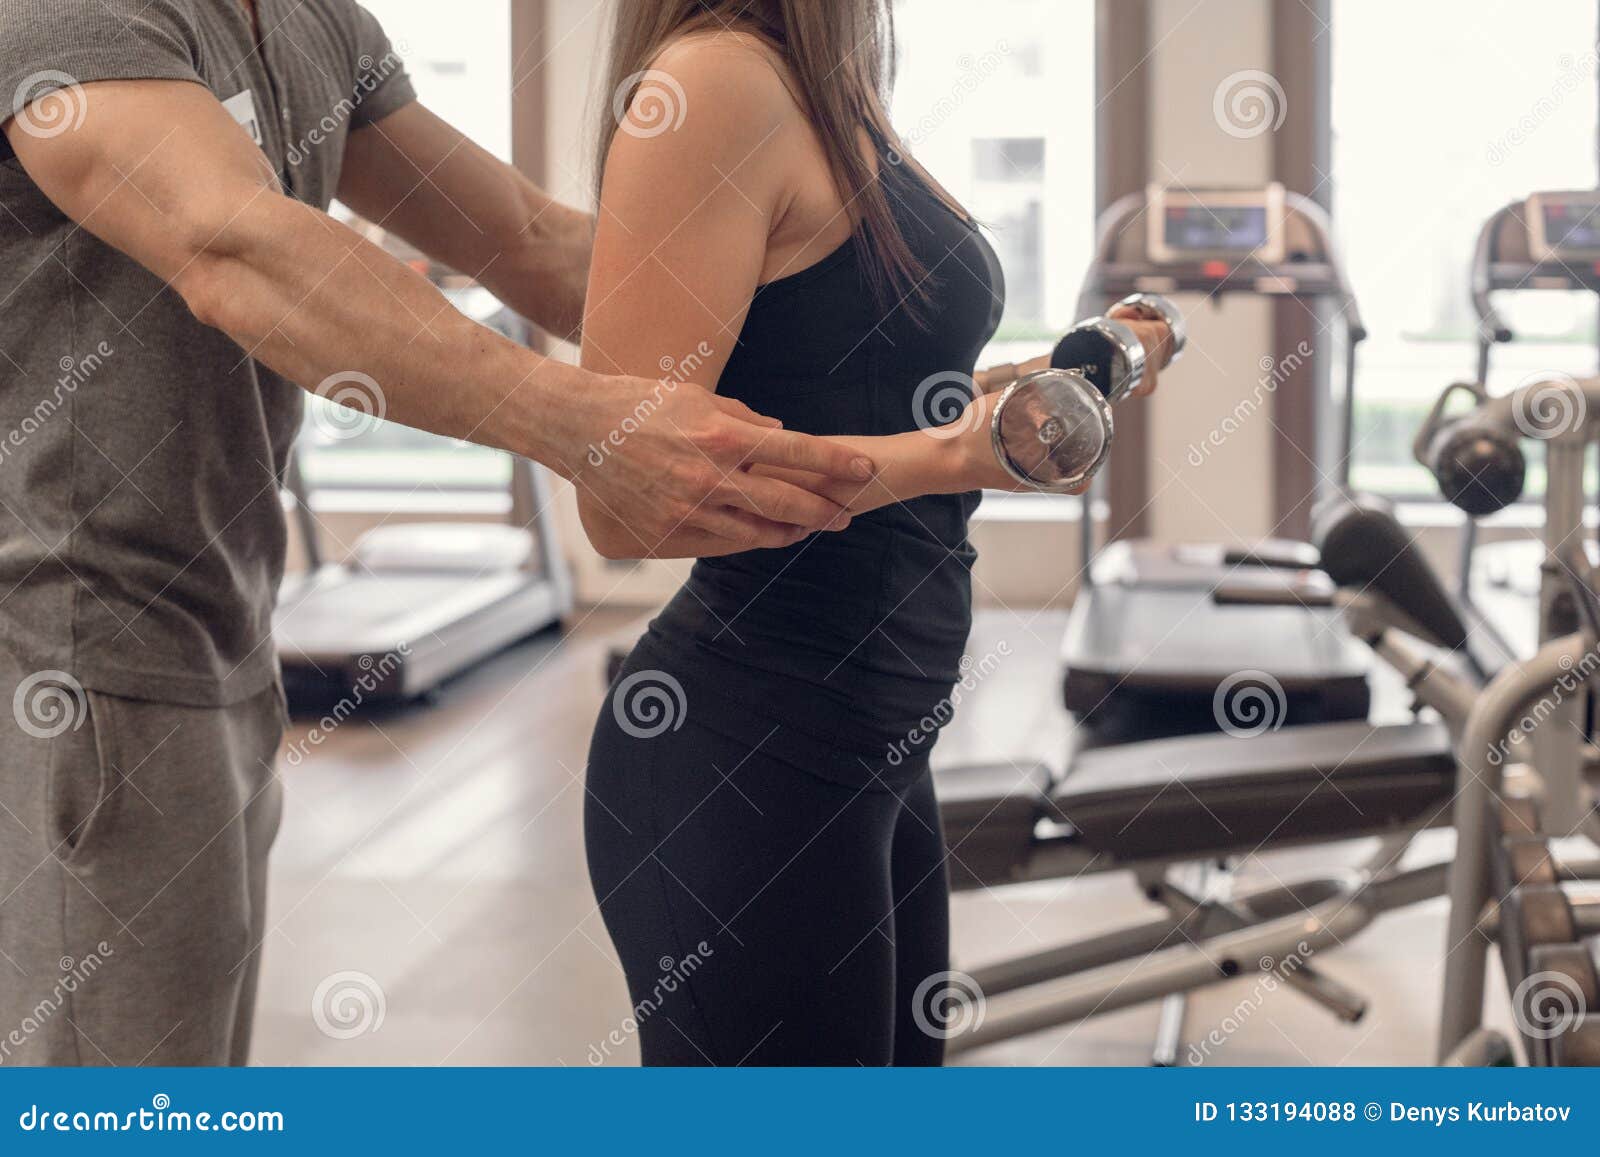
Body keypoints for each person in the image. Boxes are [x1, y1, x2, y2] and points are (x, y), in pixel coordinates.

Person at [0, 0, 875, 1066]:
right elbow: (230, 243)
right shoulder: (68, 20)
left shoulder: (311, 22)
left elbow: (528, 239)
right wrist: (578, 420)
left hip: (219, 627)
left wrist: (875, 344)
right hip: (69, 651)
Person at [582, 1, 1176, 1065]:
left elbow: (844, 384)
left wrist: (1012, 400)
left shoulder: (827, 85)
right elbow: (622, 497)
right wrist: (959, 454)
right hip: (751, 744)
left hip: (877, 734)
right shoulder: (716, 82)